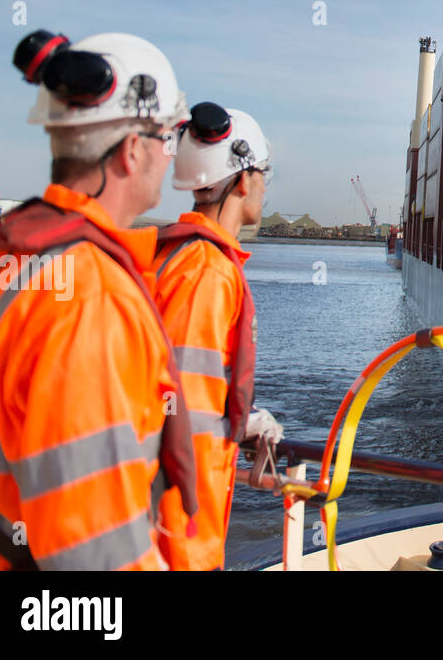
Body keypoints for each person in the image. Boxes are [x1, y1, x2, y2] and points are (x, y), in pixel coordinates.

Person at [0, 30, 195, 570]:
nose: (171, 158)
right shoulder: (89, 295)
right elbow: (94, 554)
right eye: (170, 137)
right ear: (132, 149)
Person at [153, 102, 282, 570]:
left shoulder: (174, 256)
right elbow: (173, 416)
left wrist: (237, 419)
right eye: (265, 174)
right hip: (176, 535)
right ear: (244, 179)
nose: (265, 188)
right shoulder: (207, 272)